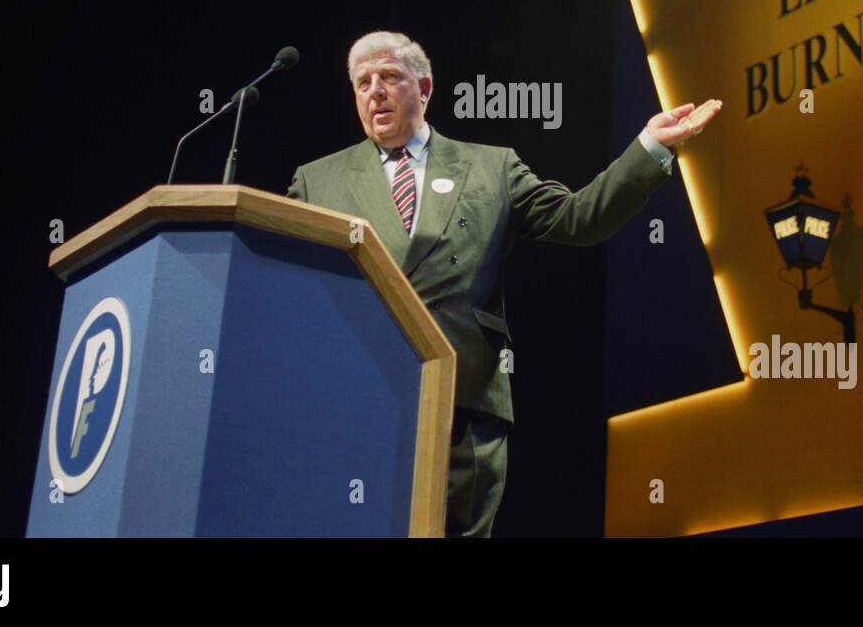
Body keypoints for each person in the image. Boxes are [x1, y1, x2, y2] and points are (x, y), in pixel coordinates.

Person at [286, 30, 720, 536]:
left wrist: (648, 149)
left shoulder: (491, 167)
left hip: (464, 400)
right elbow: (291, 285)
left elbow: (579, 219)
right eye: (362, 82)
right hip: (355, 398)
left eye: (389, 77)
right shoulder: (319, 180)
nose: (375, 91)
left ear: (424, 88)